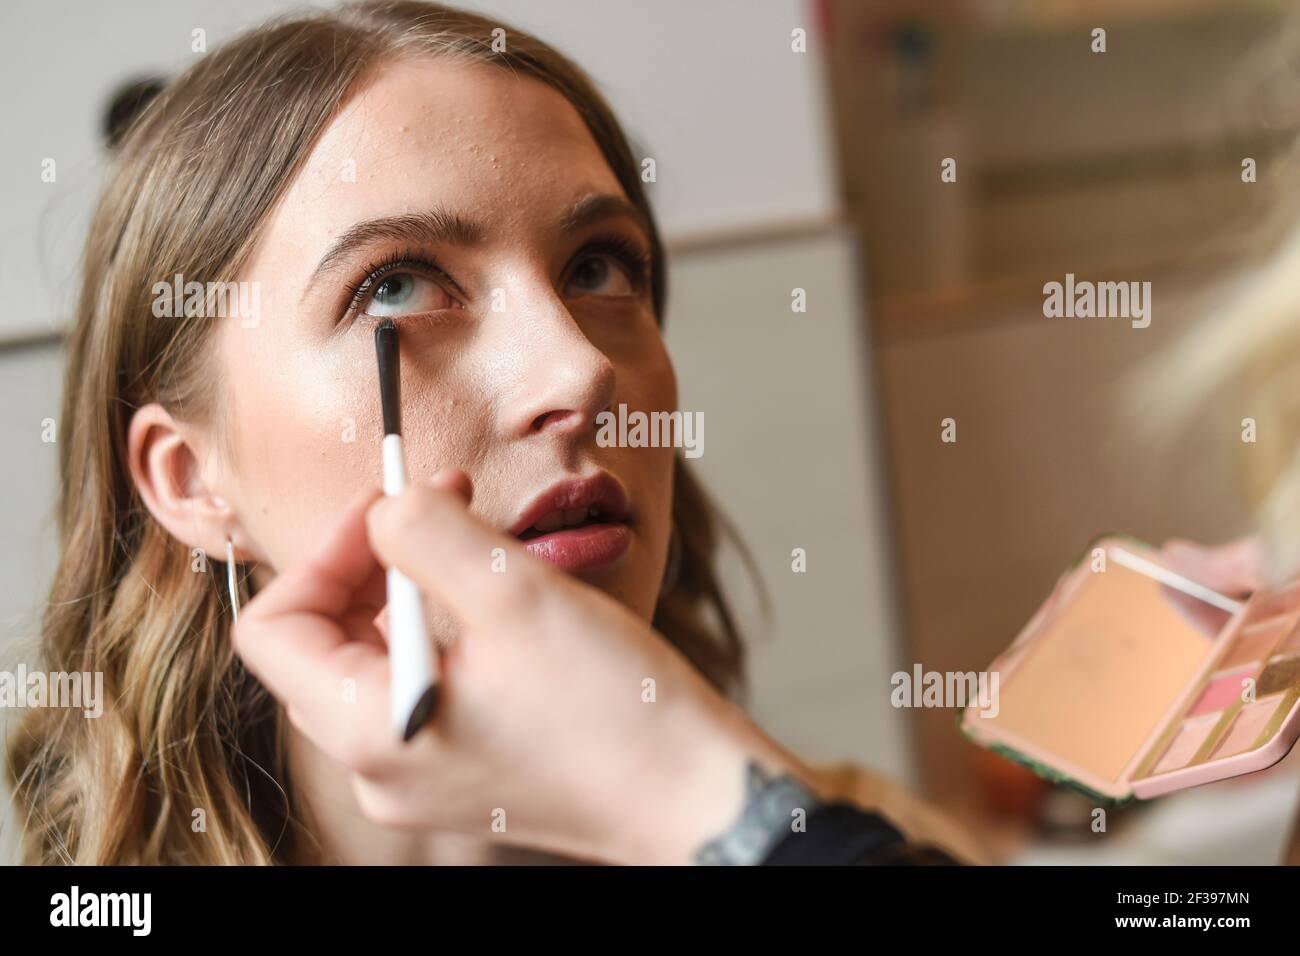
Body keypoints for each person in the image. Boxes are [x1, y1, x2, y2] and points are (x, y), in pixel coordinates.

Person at [6, 0, 987, 866]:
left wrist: (710, 812)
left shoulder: (859, 834)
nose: (579, 372)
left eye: (599, 267)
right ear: (188, 481)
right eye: (393, 285)